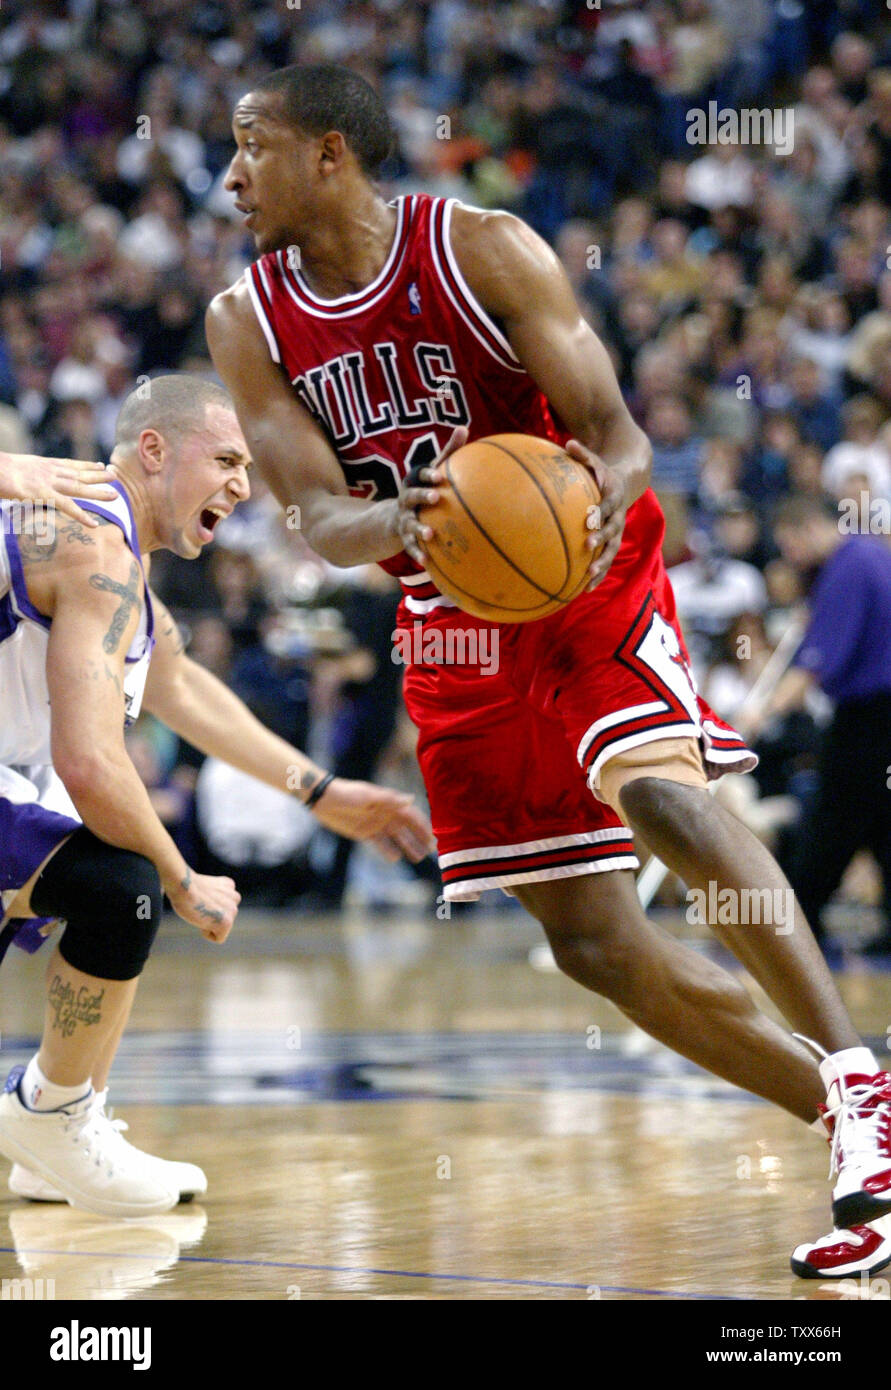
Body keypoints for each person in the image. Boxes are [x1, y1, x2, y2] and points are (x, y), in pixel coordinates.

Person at [205, 64, 891, 1279]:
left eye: (251, 146)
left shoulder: (484, 250)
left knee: (661, 790)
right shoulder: (245, 319)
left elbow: (621, 439)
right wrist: (402, 523)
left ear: (328, 154)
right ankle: (858, 1137)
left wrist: (587, 506)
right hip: (446, 612)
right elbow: (314, 510)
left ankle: (857, 1075)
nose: (228, 174)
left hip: (578, 561)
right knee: (590, 943)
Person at [0, 374, 433, 1217]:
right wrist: (180, 876)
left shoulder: (114, 562)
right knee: (123, 882)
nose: (244, 483)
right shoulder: (93, 551)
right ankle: (53, 1117)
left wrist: (319, 790)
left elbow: (183, 688)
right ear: (153, 450)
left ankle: (51, 1127)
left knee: (108, 872)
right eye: (227, 459)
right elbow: (90, 763)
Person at [749, 495, 891, 957]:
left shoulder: (846, 569)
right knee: (882, 819)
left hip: (871, 715)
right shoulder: (871, 555)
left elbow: (815, 664)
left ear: (806, 527)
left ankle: (800, 916)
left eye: (789, 544)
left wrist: (762, 713)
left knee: (835, 811)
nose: (789, 557)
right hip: (878, 711)